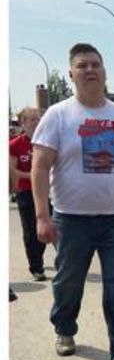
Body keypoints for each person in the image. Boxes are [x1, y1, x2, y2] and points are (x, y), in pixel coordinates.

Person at [31, 43, 114, 360]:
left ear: (104, 72)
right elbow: (40, 168)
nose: (89, 70)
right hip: (71, 220)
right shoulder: (58, 115)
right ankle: (65, 326)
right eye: (82, 65)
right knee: (68, 282)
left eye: (95, 64)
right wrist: (42, 216)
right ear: (71, 74)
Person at [10, 107, 48, 281]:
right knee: (30, 230)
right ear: (23, 123)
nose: (35, 122)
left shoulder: (46, 142)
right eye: (31, 119)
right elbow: (13, 171)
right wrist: (34, 175)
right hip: (26, 191)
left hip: (47, 191)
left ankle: (38, 256)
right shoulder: (15, 145)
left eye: (37, 119)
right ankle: (36, 267)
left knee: (47, 226)